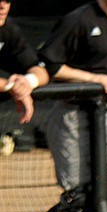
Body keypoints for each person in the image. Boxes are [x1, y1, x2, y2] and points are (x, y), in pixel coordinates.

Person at [35, 0, 107, 212]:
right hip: (72, 113)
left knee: (102, 188)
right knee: (77, 196)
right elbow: (49, 64)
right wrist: (94, 79)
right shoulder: (78, 19)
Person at [0, 0, 49, 136]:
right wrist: (11, 87)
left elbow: (40, 72)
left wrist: (27, 82)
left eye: (7, 0)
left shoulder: (9, 29)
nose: (2, 6)